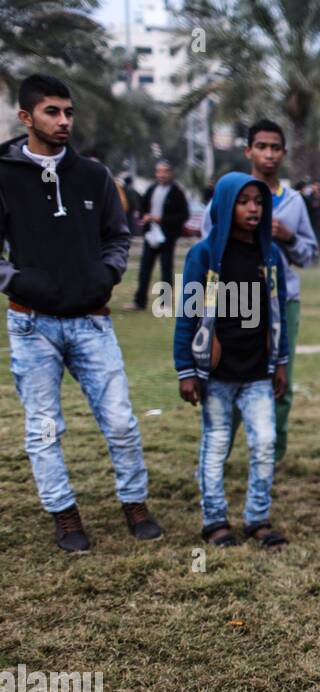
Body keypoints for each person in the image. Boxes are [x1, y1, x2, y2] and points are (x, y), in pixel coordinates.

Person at [1, 74, 163, 551]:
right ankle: (65, 515)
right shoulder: (4, 175)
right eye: (52, 112)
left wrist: (105, 275)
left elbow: (119, 235)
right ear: (26, 117)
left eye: (69, 112)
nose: (64, 120)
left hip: (92, 318)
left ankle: (135, 503)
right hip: (31, 323)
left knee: (120, 421)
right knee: (44, 426)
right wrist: (20, 281)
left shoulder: (94, 175)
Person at [174, 173, 290, 547]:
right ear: (225, 206)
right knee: (217, 444)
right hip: (216, 373)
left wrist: (281, 362)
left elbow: (279, 315)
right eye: (244, 202)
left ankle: (257, 518)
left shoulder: (271, 257)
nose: (253, 208)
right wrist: (186, 370)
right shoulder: (204, 255)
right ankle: (215, 521)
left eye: (259, 201)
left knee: (264, 443)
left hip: (258, 370)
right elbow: (187, 316)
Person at [201, 119, 318, 463]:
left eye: (275, 148)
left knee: (280, 378)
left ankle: (271, 456)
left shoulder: (294, 202)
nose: (269, 154)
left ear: (284, 153)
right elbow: (207, 247)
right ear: (248, 150)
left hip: (283, 301)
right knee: (227, 377)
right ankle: (217, 455)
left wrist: (289, 237)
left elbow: (309, 254)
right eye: (262, 147)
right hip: (235, 298)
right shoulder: (226, 195)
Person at [131, 160, 189, 311]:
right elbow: (142, 207)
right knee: (144, 269)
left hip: (167, 236)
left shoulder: (176, 192)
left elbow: (183, 215)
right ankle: (139, 301)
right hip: (151, 235)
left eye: (165, 171)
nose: (162, 175)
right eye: (159, 171)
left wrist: (162, 219)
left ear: (170, 173)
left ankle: (165, 303)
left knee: (166, 270)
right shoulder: (151, 189)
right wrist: (145, 217)